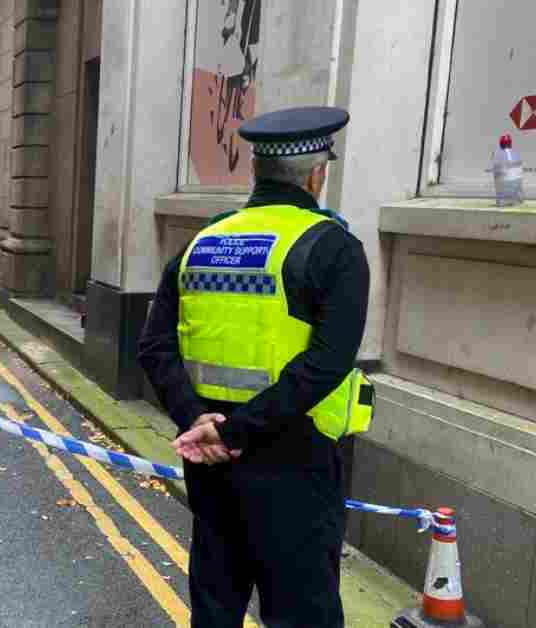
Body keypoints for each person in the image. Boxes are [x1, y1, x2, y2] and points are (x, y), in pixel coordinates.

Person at [137, 106, 372, 628]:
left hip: (210, 465)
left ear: (256, 172)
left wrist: (197, 422)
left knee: (216, 608)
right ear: (318, 173)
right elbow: (325, 364)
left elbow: (154, 346)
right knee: (301, 613)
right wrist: (240, 430)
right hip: (295, 462)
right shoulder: (332, 247)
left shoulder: (202, 244)